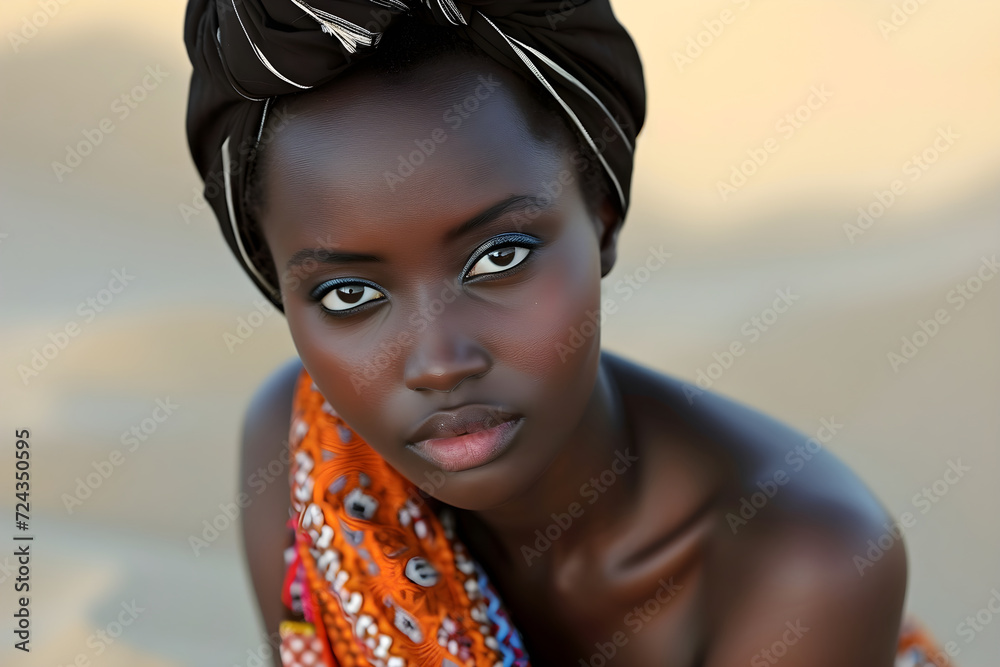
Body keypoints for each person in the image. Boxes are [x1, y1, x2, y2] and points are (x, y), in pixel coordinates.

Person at [184, 1, 955, 665]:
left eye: (500, 256)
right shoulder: (296, 455)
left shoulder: (800, 562)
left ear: (604, 218)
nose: (439, 361)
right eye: (348, 292)